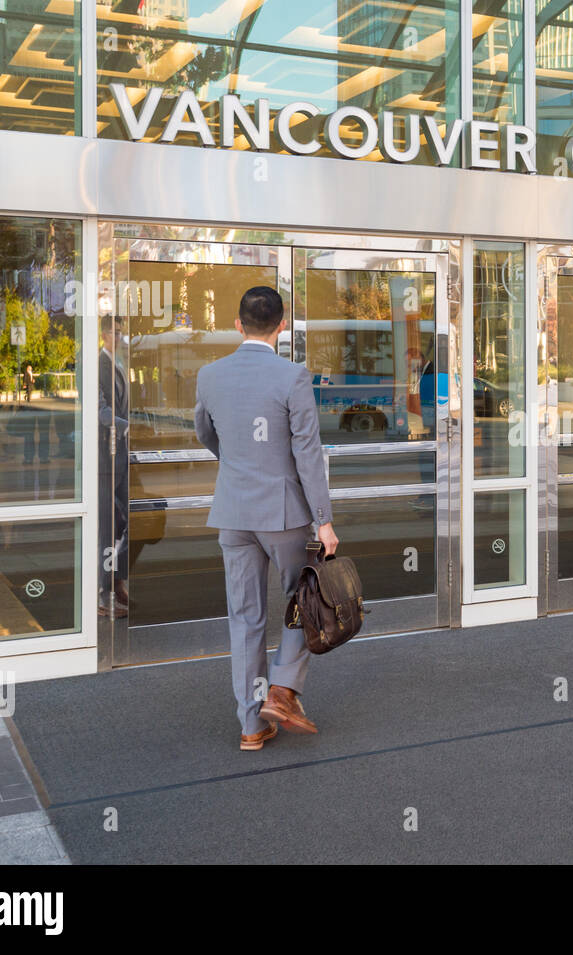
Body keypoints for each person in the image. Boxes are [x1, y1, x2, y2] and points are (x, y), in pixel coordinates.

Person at [194, 286, 339, 752]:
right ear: (281, 326)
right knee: (307, 599)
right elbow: (308, 454)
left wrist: (236, 463)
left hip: (234, 512)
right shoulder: (292, 376)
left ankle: (251, 724)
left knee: (245, 618)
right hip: (282, 514)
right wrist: (324, 520)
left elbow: (205, 433)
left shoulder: (209, 375)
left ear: (238, 324)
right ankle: (281, 690)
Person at [98, 318, 130, 618]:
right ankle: (101, 595)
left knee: (127, 522)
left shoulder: (117, 363)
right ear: (104, 334)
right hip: (104, 458)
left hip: (119, 456)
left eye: (122, 332)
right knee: (107, 528)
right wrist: (127, 428)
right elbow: (101, 411)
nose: (120, 337)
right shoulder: (97, 364)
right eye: (116, 332)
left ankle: (116, 580)